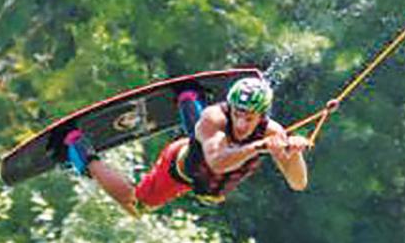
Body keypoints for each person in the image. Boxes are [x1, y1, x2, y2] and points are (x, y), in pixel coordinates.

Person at [62, 74, 310, 215]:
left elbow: (298, 183)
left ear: (263, 115)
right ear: (230, 107)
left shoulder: (272, 132)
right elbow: (217, 161)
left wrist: (294, 153)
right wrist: (259, 147)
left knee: (201, 137)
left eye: (249, 117)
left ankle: (188, 100)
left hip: (205, 180)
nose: (242, 123)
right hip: (179, 169)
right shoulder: (216, 118)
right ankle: (83, 153)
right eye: (237, 113)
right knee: (136, 206)